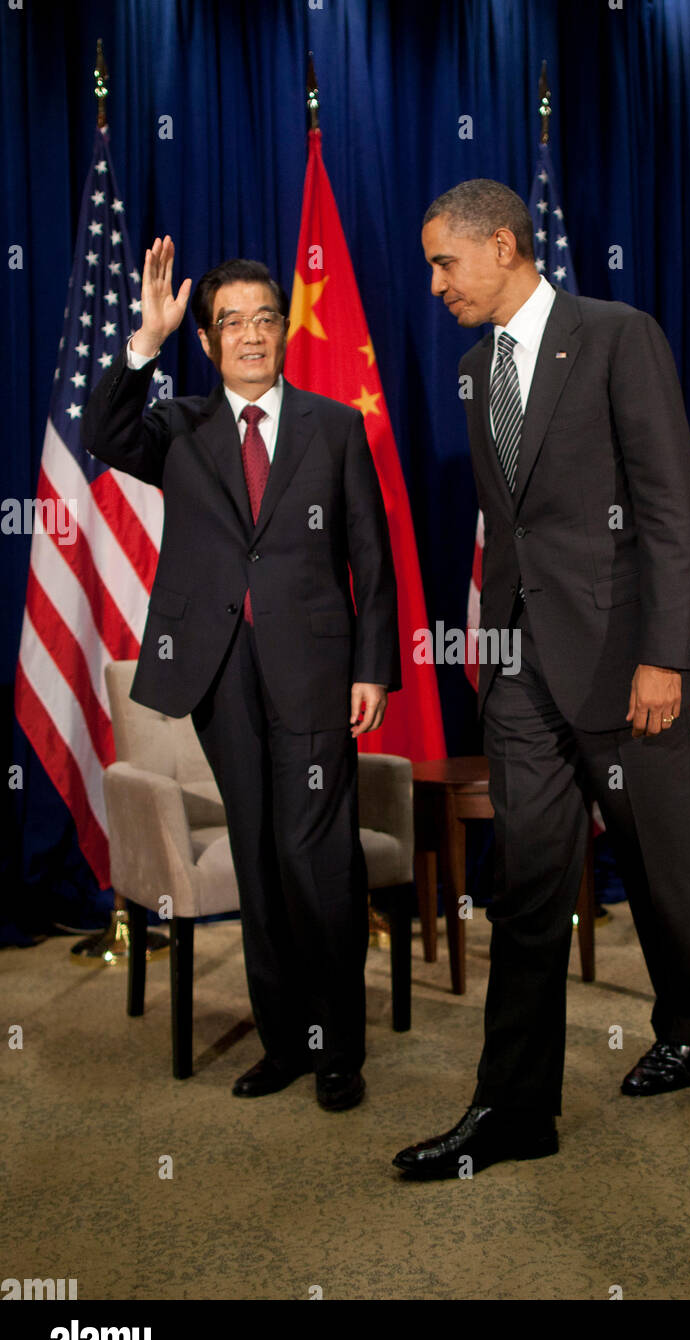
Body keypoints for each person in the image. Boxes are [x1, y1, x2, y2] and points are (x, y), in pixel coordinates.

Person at [393, 180, 690, 1178]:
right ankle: (513, 1108)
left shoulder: (618, 335)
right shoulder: (469, 367)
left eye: (445, 262)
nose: (437, 284)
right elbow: (514, 533)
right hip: (523, 672)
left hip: (630, 666)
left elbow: (667, 508)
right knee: (528, 884)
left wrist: (663, 655)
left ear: (502, 244)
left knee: (662, 869)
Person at [83, 237, 400, 1110]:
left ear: (283, 331)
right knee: (259, 858)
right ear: (209, 341)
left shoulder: (335, 426)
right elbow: (100, 431)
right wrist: (144, 340)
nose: (252, 336)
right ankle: (287, 1041)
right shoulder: (176, 427)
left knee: (315, 857)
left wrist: (374, 668)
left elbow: (370, 558)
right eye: (233, 323)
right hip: (217, 676)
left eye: (266, 319)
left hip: (315, 675)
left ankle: (340, 1051)